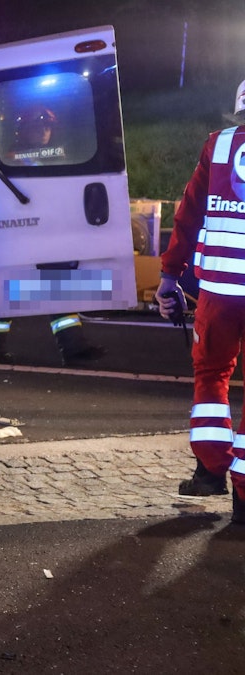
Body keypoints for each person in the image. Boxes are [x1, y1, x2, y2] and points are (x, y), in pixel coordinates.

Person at [157, 78, 245, 522]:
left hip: (219, 292)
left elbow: (189, 213)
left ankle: (210, 470)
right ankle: (244, 498)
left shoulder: (219, 146)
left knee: (211, 376)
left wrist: (169, 276)